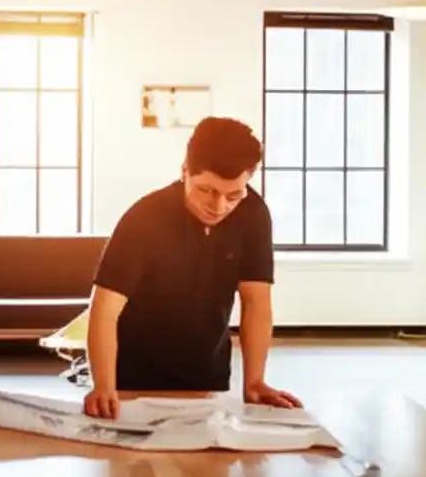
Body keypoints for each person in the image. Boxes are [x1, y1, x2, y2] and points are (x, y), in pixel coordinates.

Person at [83, 116, 301, 419]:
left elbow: (256, 301)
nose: (219, 206)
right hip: (132, 378)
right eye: (206, 190)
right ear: (185, 170)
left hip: (207, 377)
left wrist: (255, 382)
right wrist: (103, 385)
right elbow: (105, 308)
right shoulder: (144, 217)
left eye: (233, 195)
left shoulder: (254, 215)